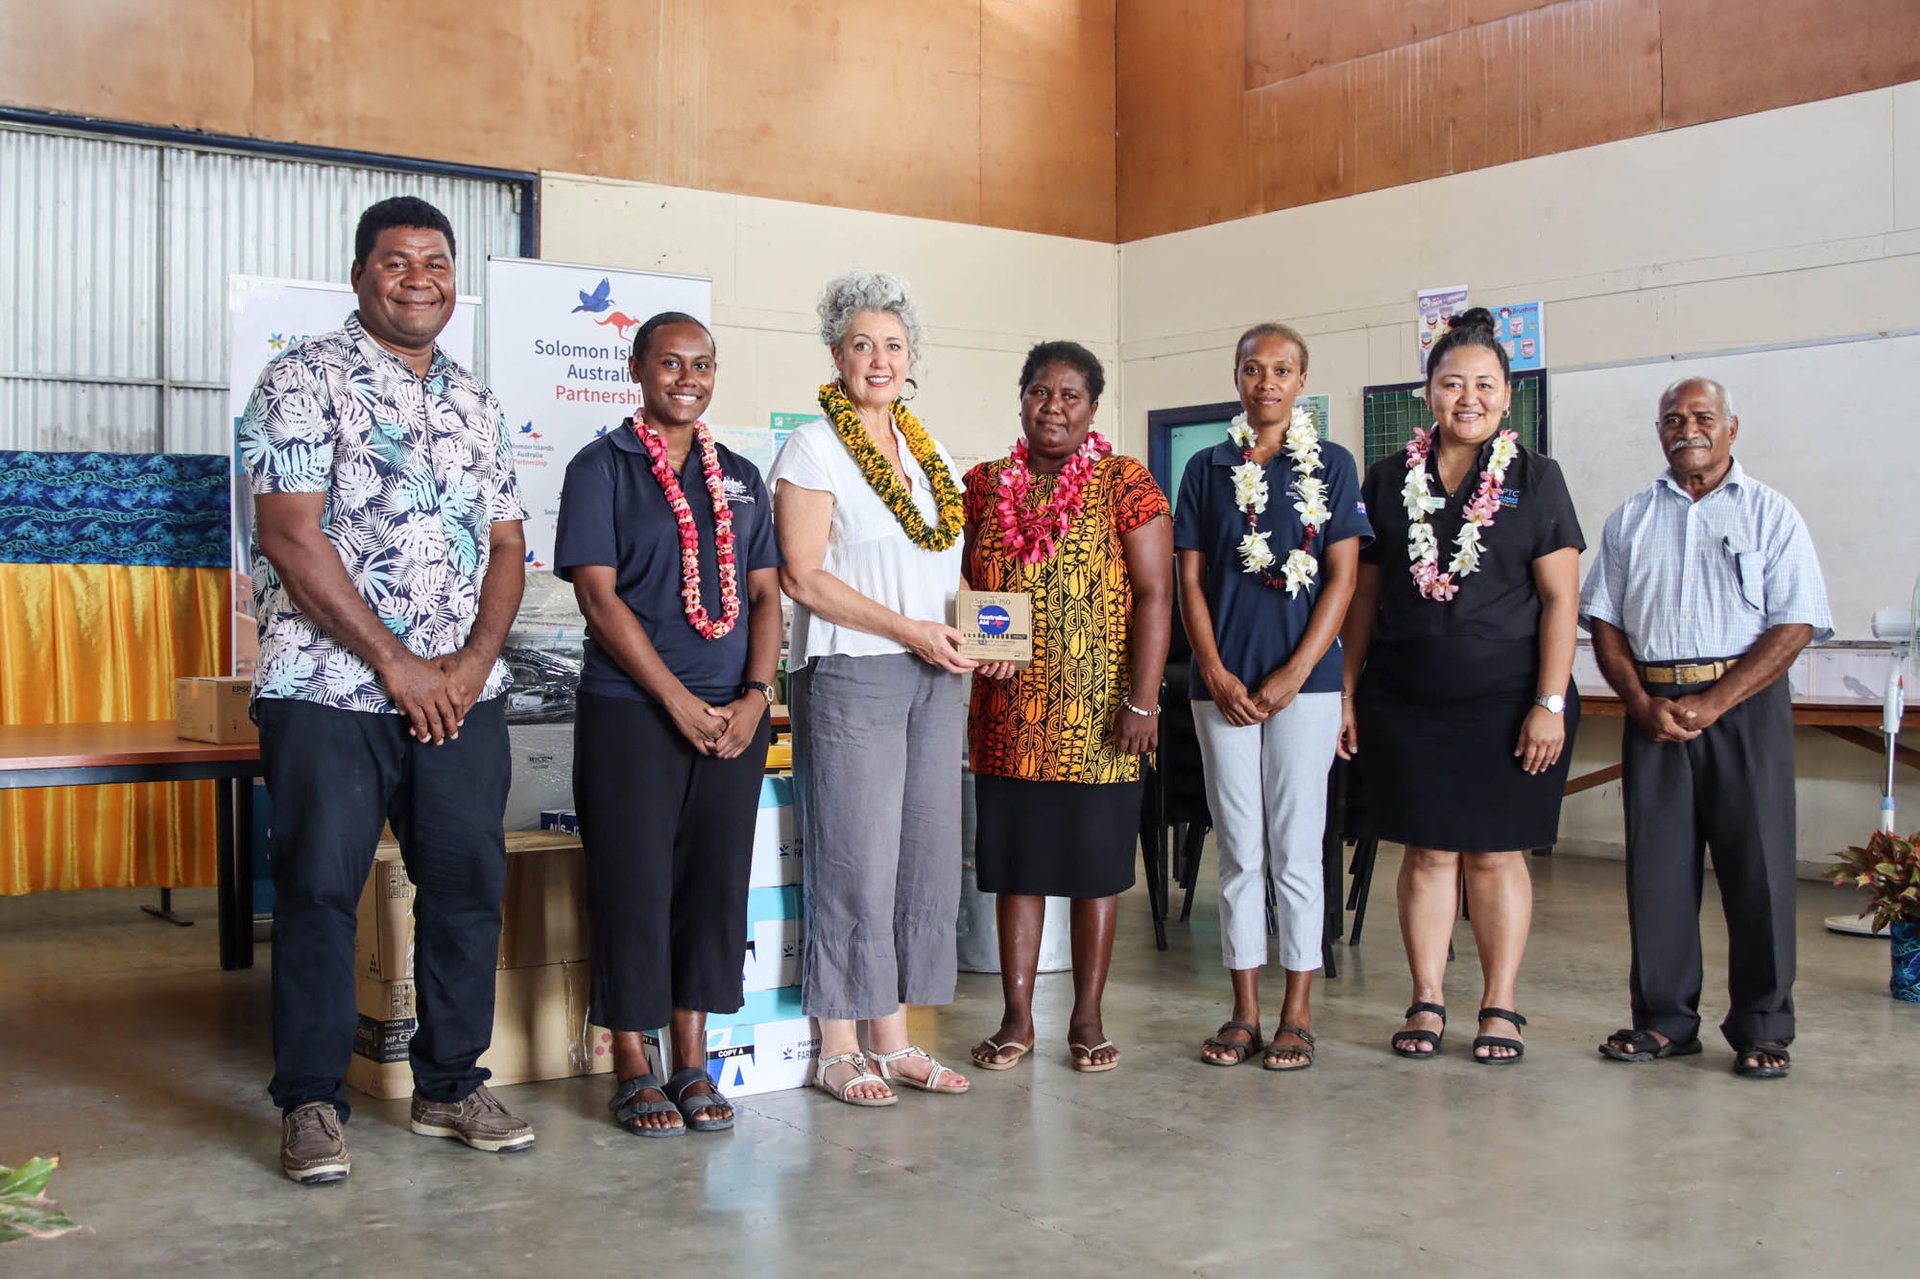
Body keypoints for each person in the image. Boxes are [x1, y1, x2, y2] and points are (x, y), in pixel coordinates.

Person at [240, 196, 532, 1184]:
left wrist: (475, 661)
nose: (419, 279)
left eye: (436, 262)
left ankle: (450, 1084)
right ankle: (312, 1103)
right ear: (361, 275)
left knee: (466, 887)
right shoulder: (301, 380)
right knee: (322, 890)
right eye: (397, 262)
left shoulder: (477, 399)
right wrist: (397, 662)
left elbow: (505, 544)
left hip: (459, 695)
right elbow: (290, 532)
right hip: (327, 689)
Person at [554, 312, 782, 1134]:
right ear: (638, 369)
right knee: (634, 884)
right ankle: (632, 1060)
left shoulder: (744, 477)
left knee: (712, 887)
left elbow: (765, 596)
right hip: (631, 715)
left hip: (733, 718)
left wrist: (755, 696)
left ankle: (693, 1057)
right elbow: (597, 596)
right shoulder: (600, 467)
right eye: (671, 363)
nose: (688, 377)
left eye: (703, 364)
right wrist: (677, 701)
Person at [1338, 307, 1584, 1065]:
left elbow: (1561, 601)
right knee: (1429, 853)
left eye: (1484, 384)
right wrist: (1346, 693)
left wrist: (1548, 702)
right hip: (1406, 698)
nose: (1467, 397)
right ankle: (1427, 996)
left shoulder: (1537, 480)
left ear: (1508, 397)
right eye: (1452, 383)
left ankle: (1500, 1004)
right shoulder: (1387, 479)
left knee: (1494, 853)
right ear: (1428, 392)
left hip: (1510, 700)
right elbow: (1364, 599)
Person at [1582, 377, 1831, 1079]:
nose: (1686, 427)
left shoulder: (1771, 513)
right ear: (1659, 431)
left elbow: (1796, 621)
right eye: (1672, 419)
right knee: (1657, 872)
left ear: (1731, 427)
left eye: (1702, 416)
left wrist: (1716, 701)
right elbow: (1604, 621)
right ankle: (1664, 1021)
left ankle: (1763, 1027)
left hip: (1744, 708)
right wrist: (1639, 701)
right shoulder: (1631, 518)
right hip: (1653, 707)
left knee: (1759, 870)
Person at [770, 270, 974, 1105]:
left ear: (912, 357)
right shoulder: (814, 447)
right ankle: (837, 1043)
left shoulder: (931, 451)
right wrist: (908, 629)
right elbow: (803, 576)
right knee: (855, 851)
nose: (879, 359)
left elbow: (943, 568)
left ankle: (894, 1040)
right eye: (862, 345)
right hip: (855, 667)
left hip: (935, 670)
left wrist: (980, 637)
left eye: (893, 345)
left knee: (922, 854)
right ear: (835, 355)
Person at [963, 341, 1172, 1075]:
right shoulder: (984, 485)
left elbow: (1156, 594)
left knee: (1093, 871)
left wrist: (1143, 700)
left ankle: (1085, 1016)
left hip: (1101, 721)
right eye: (1041, 392)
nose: (1054, 406)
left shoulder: (1126, 482)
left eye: (1071, 395)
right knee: (1017, 869)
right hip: (1006, 717)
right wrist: (968, 639)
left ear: (1092, 407)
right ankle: (1017, 1016)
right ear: (1021, 398)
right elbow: (964, 588)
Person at [1176, 323, 1371, 1071]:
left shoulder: (1332, 464)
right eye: (1254, 369)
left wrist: (1295, 674)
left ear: (1301, 381)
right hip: (1219, 688)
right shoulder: (1206, 467)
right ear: (1236, 377)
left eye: (1282, 370)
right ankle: (1243, 1010)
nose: (1267, 382)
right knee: (1239, 851)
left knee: (1297, 848)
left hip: (1307, 686)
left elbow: (1343, 578)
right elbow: (1191, 580)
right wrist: (1217, 672)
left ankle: (1297, 1011)